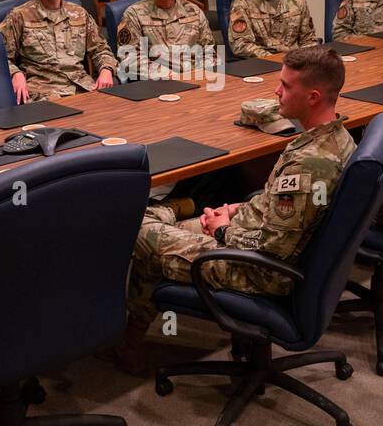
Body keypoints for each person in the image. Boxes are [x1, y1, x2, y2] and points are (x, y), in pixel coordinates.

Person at [105, 45, 356, 375]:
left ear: (312, 96)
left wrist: (223, 229)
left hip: (254, 268)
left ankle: (129, 342)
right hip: (250, 233)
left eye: (285, 86)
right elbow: (279, 206)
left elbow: (272, 250)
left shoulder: (309, 166)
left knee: (140, 235)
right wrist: (237, 210)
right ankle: (181, 212)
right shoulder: (334, 138)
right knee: (149, 221)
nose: (276, 91)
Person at [0, 0, 119, 103]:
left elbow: (101, 49)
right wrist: (15, 74)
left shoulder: (80, 14)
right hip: (42, 95)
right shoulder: (19, 16)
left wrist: (106, 70)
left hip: (82, 89)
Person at [115, 0, 214, 76]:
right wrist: (167, 75)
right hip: (156, 83)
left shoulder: (193, 11)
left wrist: (202, 75)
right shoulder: (134, 14)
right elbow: (130, 60)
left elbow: (209, 51)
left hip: (195, 79)